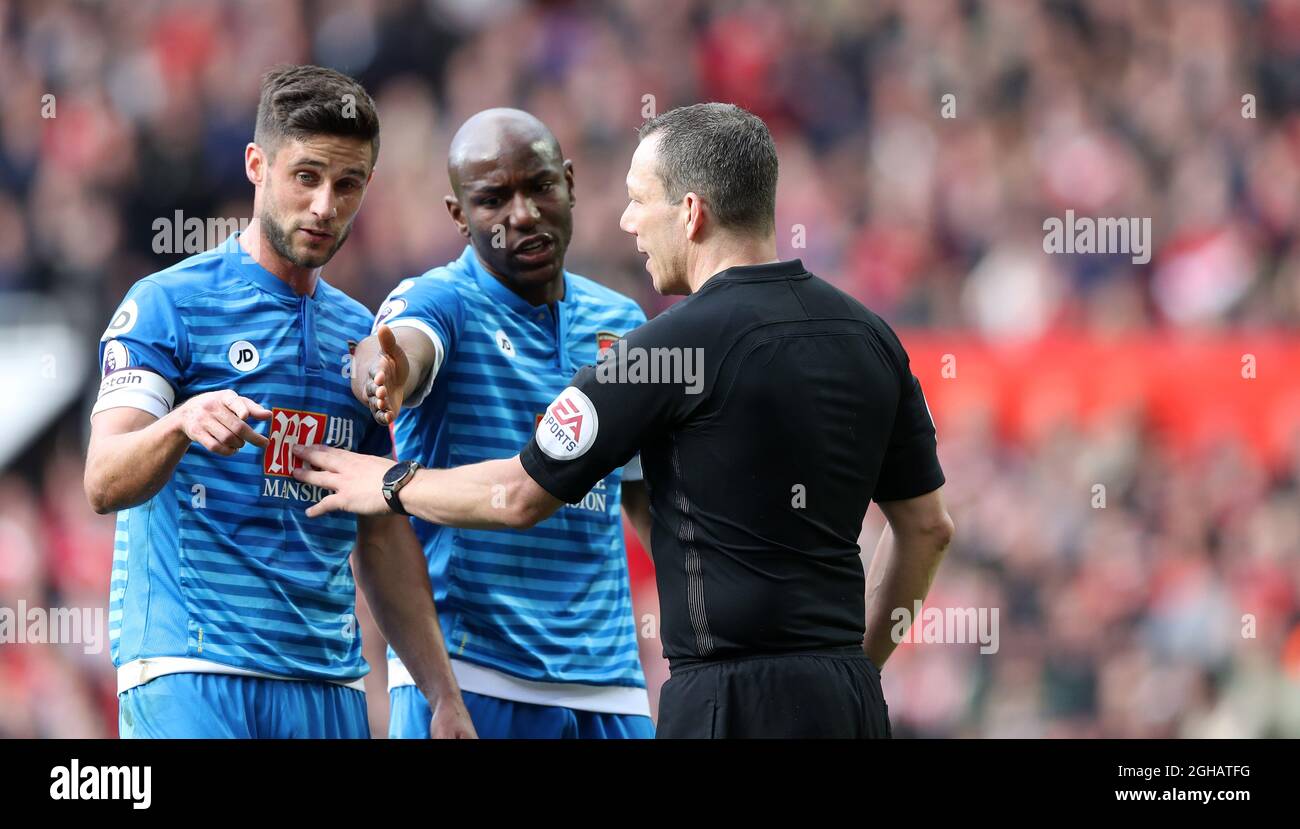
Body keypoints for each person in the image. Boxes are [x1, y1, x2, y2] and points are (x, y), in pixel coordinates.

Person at [294, 103, 954, 738]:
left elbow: (524, 494)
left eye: (641, 200)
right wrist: (859, 662)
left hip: (720, 699)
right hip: (845, 697)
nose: (629, 221)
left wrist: (390, 481)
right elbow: (926, 527)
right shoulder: (873, 338)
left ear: (691, 213)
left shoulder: (654, 351)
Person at [83, 65, 474, 739]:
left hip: (327, 685)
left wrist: (442, 693)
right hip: (191, 670)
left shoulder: (363, 342)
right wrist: (179, 423)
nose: (325, 204)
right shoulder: (168, 303)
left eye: (346, 183)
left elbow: (379, 532)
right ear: (256, 165)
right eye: (306, 176)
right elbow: (102, 479)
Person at [349, 108, 655, 739]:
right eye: (493, 199)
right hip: (472, 675)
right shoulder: (442, 300)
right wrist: (384, 373)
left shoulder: (620, 320)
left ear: (569, 183)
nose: (522, 214)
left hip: (610, 682)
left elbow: (645, 498)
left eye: (540, 186)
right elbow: (398, 346)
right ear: (460, 216)